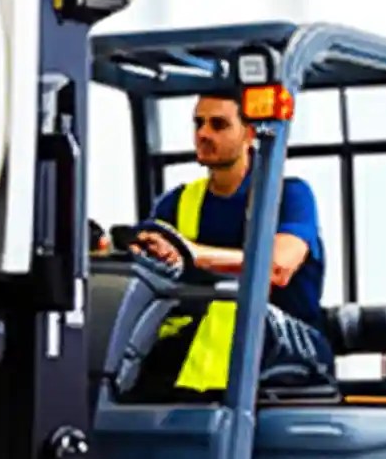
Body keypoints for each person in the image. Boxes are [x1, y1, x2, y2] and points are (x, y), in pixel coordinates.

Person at [129, 93, 335, 400]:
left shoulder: (289, 196)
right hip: (195, 363)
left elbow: (277, 267)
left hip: (282, 362)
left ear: (249, 132)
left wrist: (192, 254)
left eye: (218, 125)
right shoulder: (177, 203)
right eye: (198, 123)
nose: (203, 134)